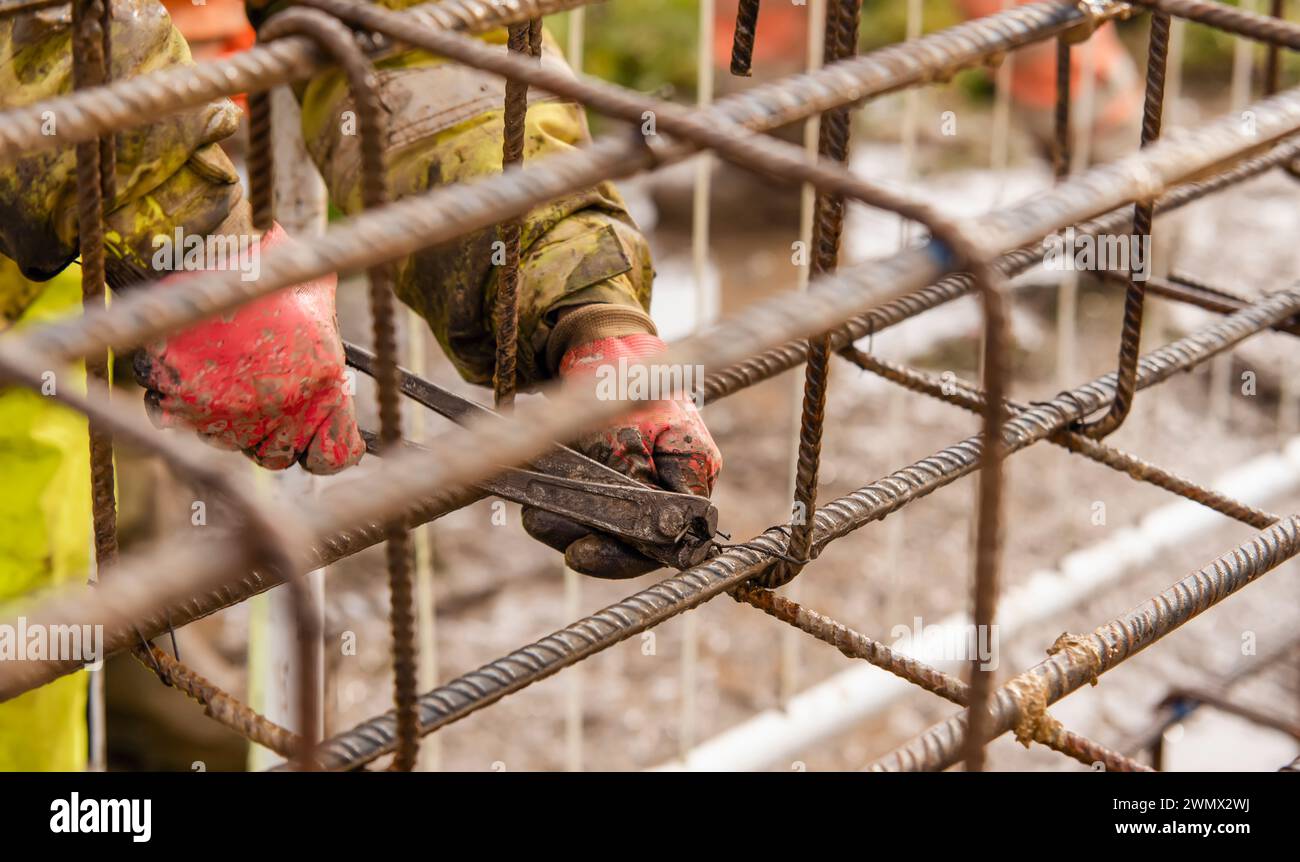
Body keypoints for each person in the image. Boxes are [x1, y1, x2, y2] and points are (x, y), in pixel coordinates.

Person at [0, 0, 722, 769]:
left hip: (75, 300)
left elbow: (408, 27)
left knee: (116, 670)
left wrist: (574, 293)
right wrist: (183, 233)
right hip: (97, 257)